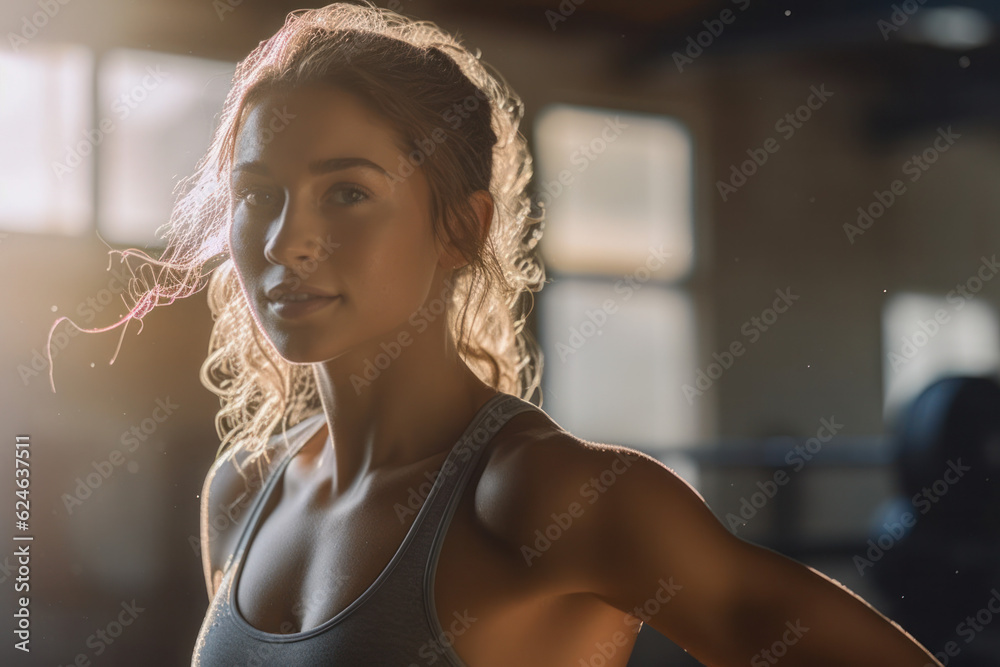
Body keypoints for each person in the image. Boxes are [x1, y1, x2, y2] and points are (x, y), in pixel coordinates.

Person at [49, 2, 943, 665]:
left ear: (462, 229)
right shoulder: (243, 492)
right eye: (256, 196)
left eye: (347, 191)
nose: (285, 240)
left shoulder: (543, 495)